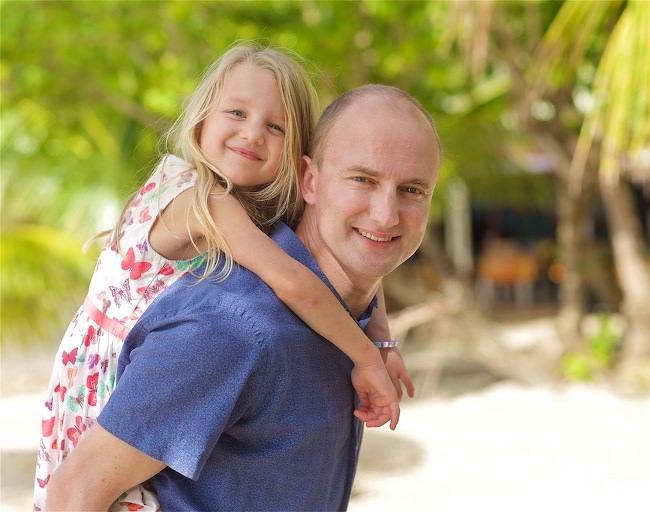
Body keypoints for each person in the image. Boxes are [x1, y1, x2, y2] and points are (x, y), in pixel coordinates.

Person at [34, 44, 413, 511]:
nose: (252, 134)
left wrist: (383, 344)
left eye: (276, 127)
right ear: (201, 120)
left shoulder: (221, 201)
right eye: (236, 112)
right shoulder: (205, 201)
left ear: (296, 158)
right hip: (105, 370)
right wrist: (367, 359)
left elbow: (361, 278)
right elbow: (294, 284)